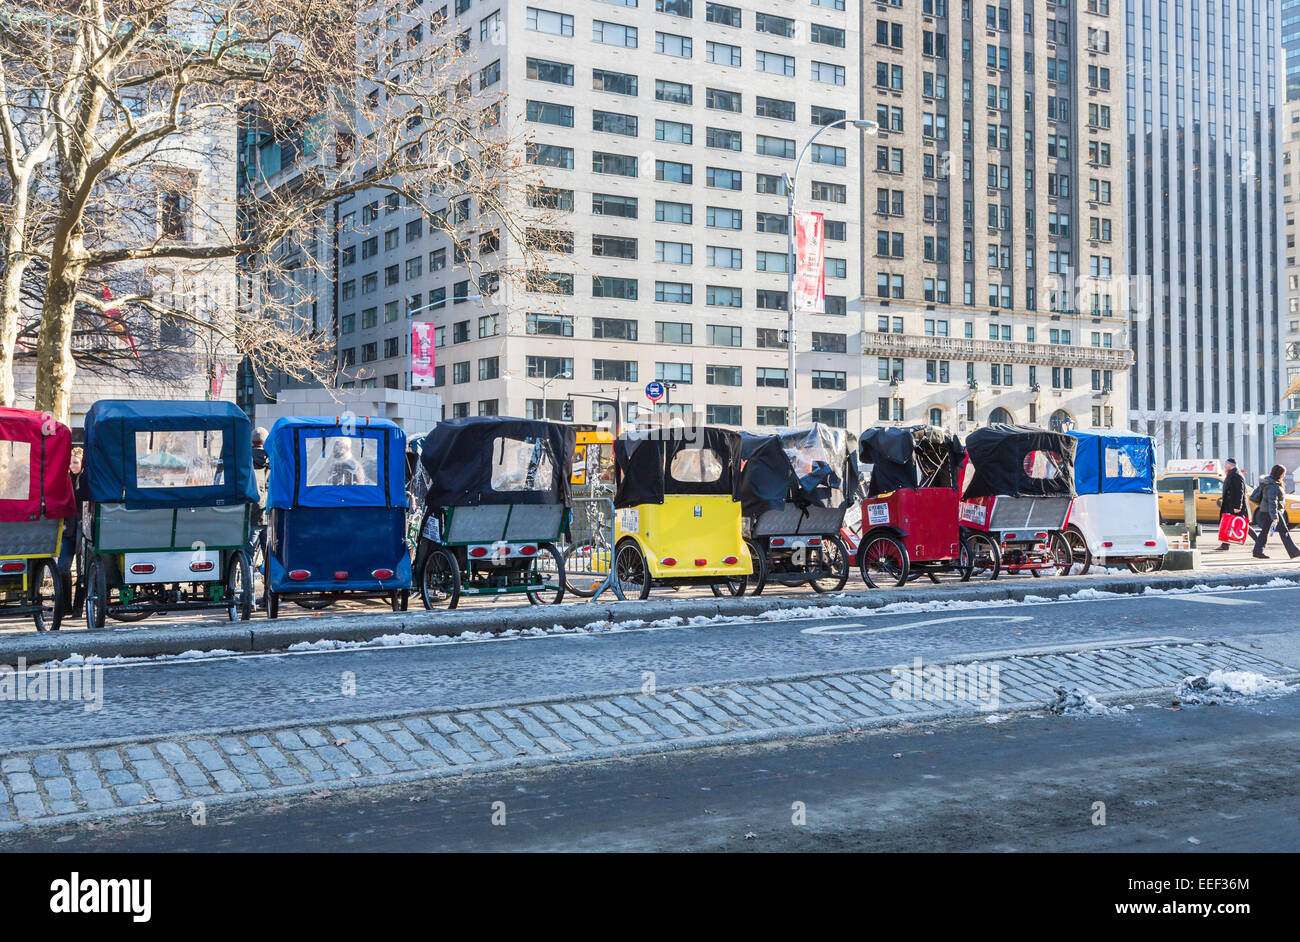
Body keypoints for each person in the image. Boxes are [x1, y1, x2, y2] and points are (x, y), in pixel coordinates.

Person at [1249, 465, 1300, 560]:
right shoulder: (1272, 485)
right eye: (1283, 473)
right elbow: (1273, 501)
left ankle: (1257, 551)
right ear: (1279, 474)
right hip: (1273, 511)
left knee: (1265, 532)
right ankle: (1294, 552)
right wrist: (1275, 516)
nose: (1284, 475)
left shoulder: (1269, 482)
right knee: (1283, 531)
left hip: (1269, 511)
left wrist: (1264, 506)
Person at [1217, 457, 1250, 550]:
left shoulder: (1236, 475)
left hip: (1234, 505)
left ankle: (1258, 542)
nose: (1224, 465)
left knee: (1243, 524)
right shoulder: (1232, 473)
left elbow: (1240, 492)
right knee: (1227, 523)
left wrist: (1237, 506)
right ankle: (1225, 545)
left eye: (1226, 464)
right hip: (1230, 504)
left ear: (1229, 465)